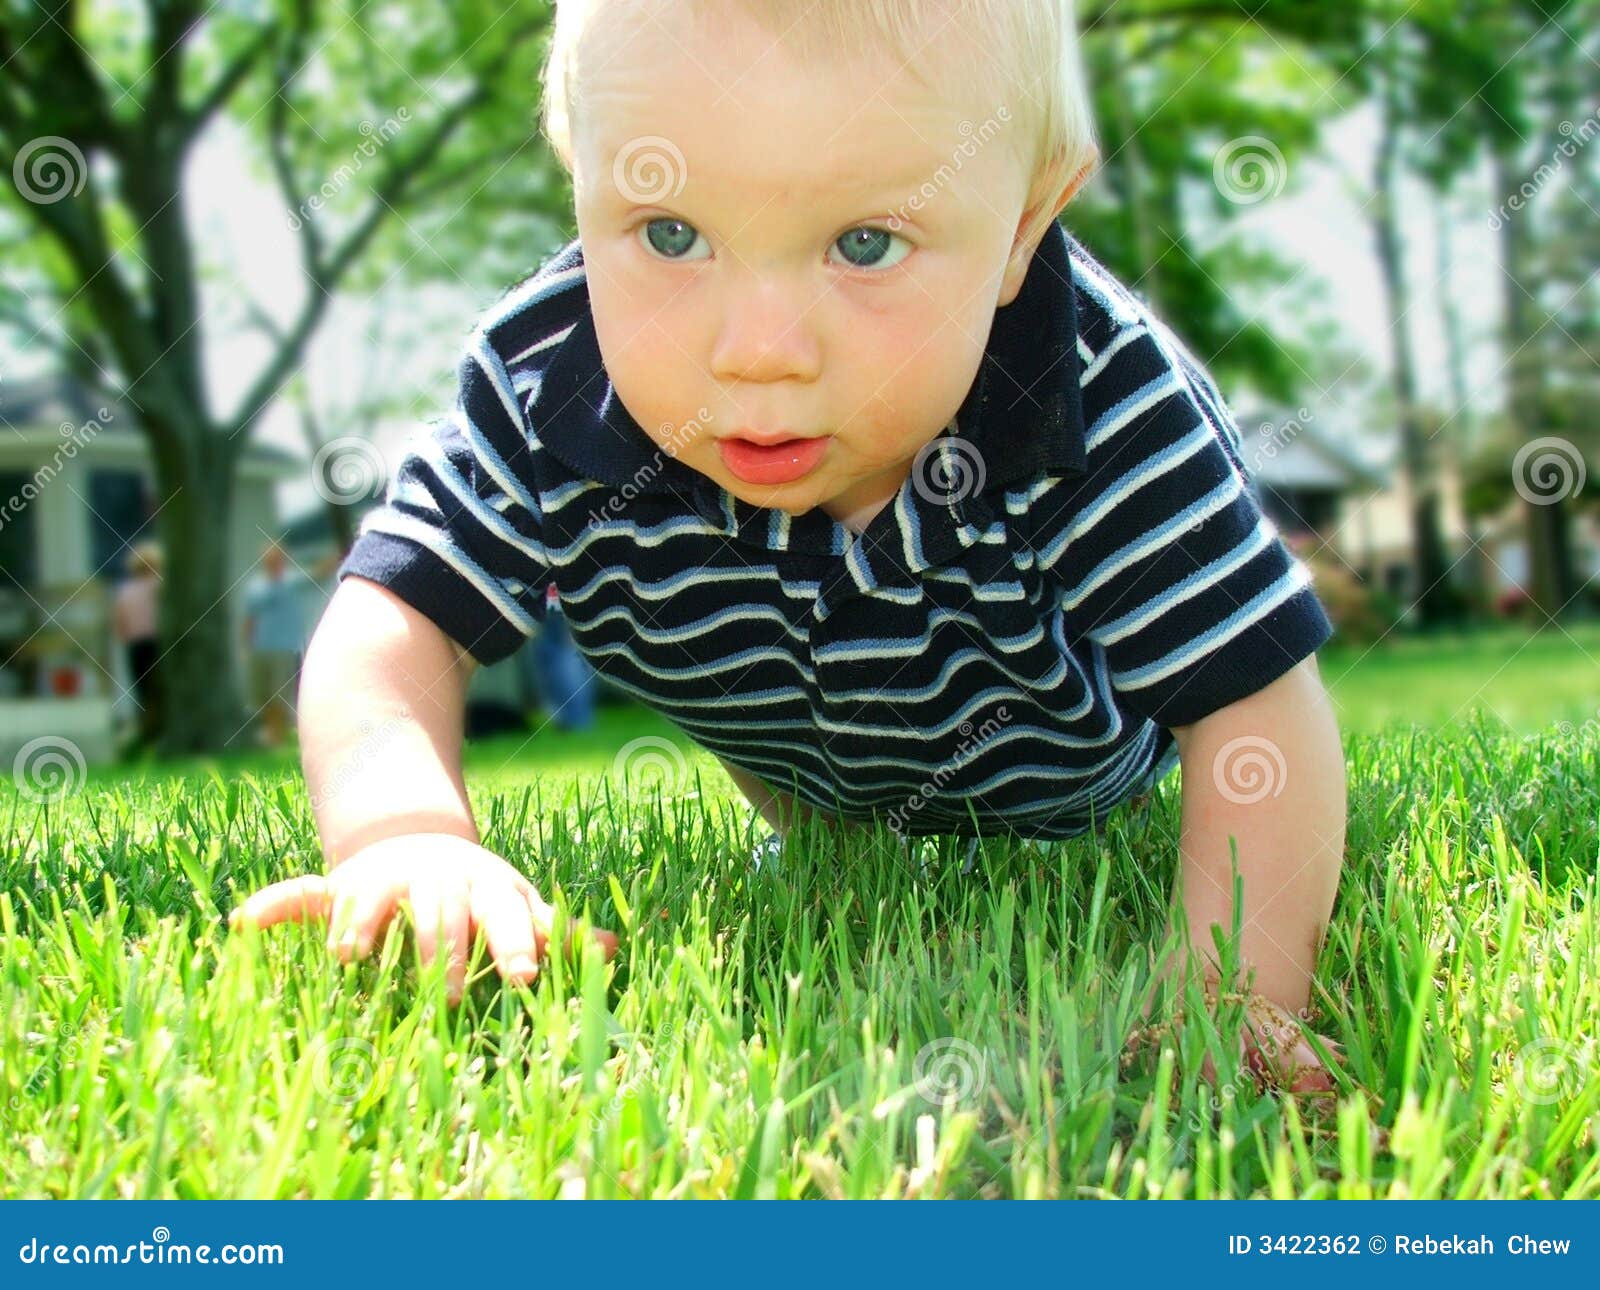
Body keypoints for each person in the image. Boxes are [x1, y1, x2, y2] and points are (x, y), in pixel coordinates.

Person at [229, 1, 1347, 1094]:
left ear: (1021, 229)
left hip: (1062, 759)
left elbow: (1255, 702)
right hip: (783, 733)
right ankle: (831, 834)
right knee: (818, 818)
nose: (759, 351)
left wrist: (1233, 988)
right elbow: (389, 623)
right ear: (578, 173)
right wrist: (405, 831)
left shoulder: (1096, 397)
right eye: (672, 235)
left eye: (866, 245)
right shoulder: (546, 379)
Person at [111, 540, 164, 751]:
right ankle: (158, 731)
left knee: (142, 690)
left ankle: (148, 732)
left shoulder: (126, 591)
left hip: (135, 646)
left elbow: (120, 624)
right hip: (156, 643)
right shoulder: (160, 586)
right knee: (159, 689)